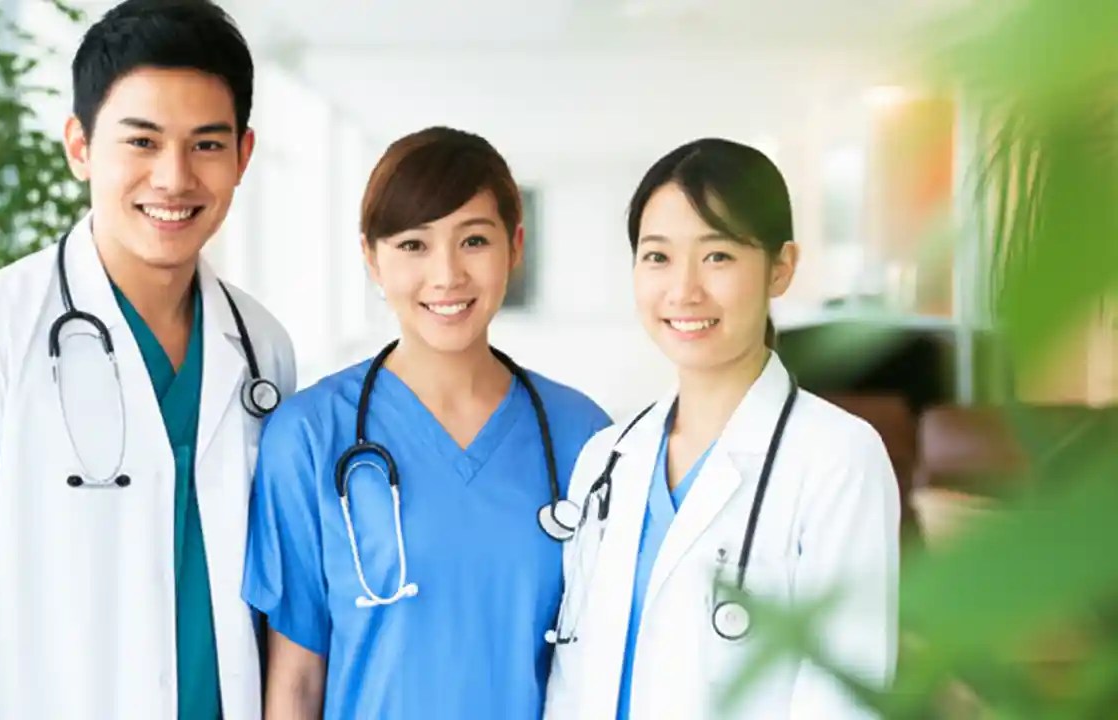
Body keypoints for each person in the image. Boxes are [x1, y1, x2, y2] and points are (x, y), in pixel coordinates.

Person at [0, 1, 295, 718]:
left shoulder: (261, 345)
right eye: (141, 142)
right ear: (79, 146)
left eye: (206, 145)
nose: (174, 178)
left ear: (243, 155)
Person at [242, 126, 612, 719]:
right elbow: (297, 681)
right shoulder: (311, 437)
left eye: (473, 241)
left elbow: (606, 663)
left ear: (515, 247)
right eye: (413, 245)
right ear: (371, 258)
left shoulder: (584, 437)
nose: (446, 276)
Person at [543, 138, 900, 719]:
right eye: (657, 257)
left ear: (781, 268)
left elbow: (843, 697)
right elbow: (572, 678)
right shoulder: (608, 458)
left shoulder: (838, 456)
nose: (684, 290)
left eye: (718, 256)